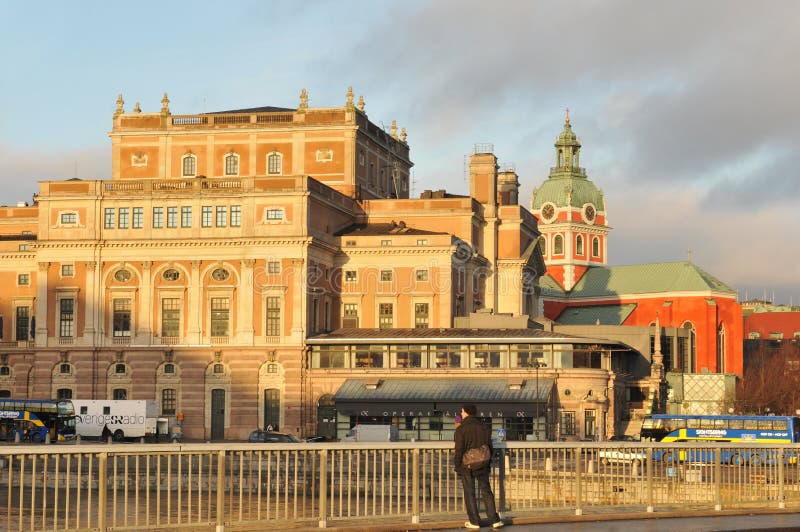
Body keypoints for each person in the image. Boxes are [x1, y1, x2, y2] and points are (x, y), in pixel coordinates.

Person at [454, 403, 504, 529]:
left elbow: (459, 450)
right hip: (483, 464)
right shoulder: (483, 427)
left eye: (462, 411)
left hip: (467, 466)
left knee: (470, 493)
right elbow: (489, 446)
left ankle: (474, 521)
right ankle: (494, 519)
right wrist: (487, 460)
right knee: (486, 491)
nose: (461, 414)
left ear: (466, 412)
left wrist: (457, 465)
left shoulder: (461, 429)